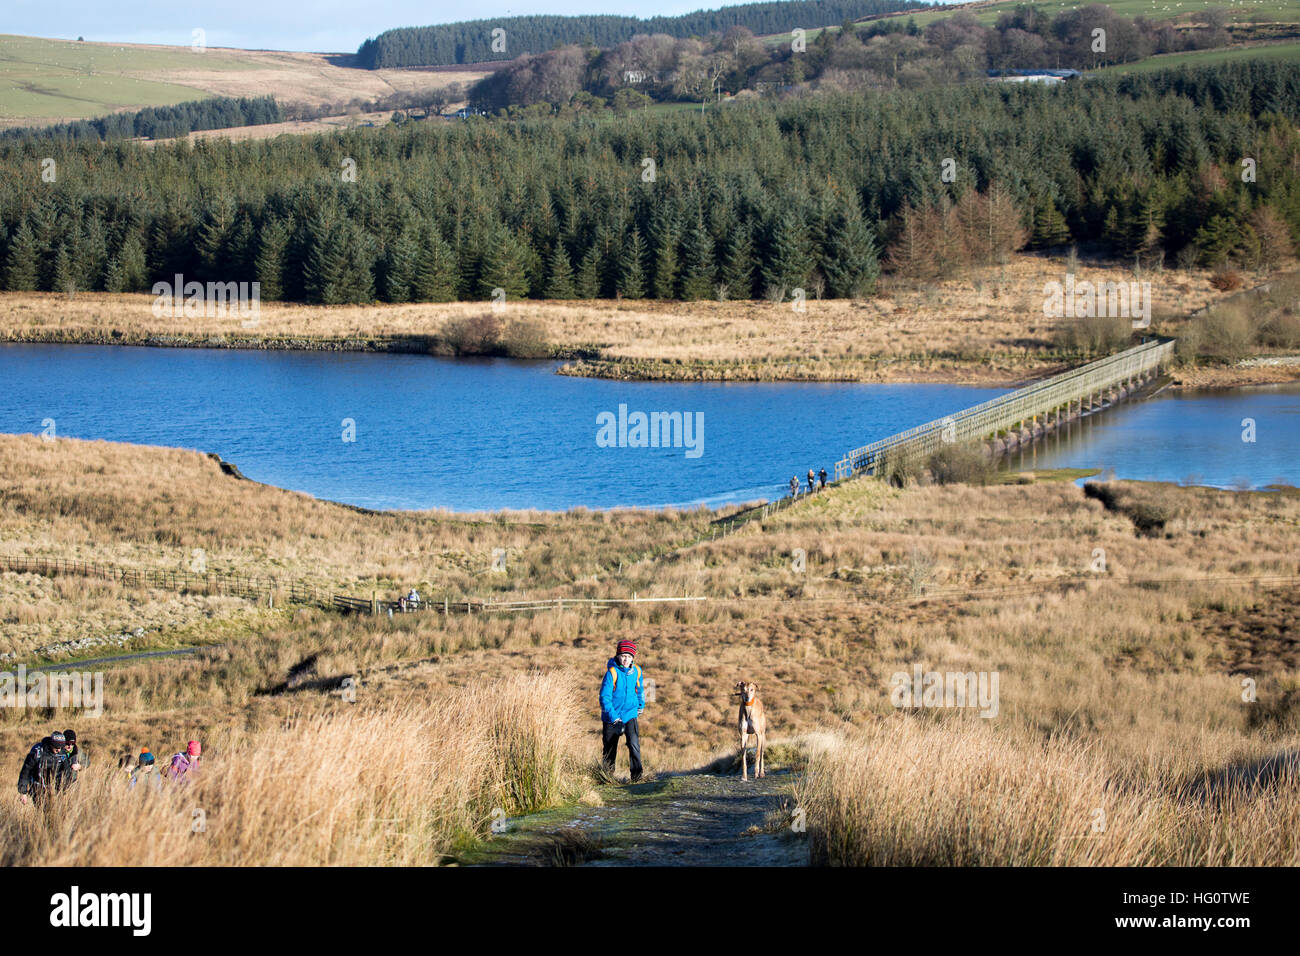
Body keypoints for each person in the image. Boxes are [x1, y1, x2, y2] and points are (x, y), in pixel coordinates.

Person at [599, 640, 646, 783]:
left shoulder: (637, 671)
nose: (626, 660)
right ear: (618, 655)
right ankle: (607, 778)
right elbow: (604, 698)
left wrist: (640, 704)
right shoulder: (611, 673)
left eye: (629, 657)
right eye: (623, 656)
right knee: (610, 750)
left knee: (634, 744)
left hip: (630, 714)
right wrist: (613, 717)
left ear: (633, 657)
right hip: (612, 717)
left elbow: (640, 689)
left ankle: (637, 779)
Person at [17, 731, 69, 806]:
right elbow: (25, 772)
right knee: (41, 810)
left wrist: (65, 789)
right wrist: (23, 793)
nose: (59, 750)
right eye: (56, 747)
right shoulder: (37, 753)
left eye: (61, 748)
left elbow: (67, 771)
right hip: (37, 787)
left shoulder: (62, 753)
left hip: (56, 789)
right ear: (51, 744)